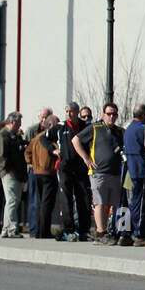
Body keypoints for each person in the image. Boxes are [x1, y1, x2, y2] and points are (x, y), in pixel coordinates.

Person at [72, 103, 126, 245]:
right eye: (109, 114)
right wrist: (86, 158)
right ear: (103, 115)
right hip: (98, 172)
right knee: (100, 202)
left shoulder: (120, 131)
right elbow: (76, 140)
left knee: (110, 203)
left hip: (114, 172)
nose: (112, 117)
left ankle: (109, 231)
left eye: (114, 114)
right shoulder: (95, 128)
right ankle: (100, 232)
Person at [52, 103, 90, 242]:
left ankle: (84, 230)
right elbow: (45, 138)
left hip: (81, 169)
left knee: (84, 199)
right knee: (66, 199)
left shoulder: (85, 126)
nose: (68, 114)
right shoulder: (61, 126)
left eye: (71, 111)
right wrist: (53, 150)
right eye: (67, 111)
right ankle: (69, 230)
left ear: (77, 112)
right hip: (65, 168)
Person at [124, 104, 145, 245]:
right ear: (144, 115)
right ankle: (140, 234)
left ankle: (134, 231)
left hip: (132, 169)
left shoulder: (129, 129)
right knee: (142, 203)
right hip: (142, 170)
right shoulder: (141, 129)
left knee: (136, 201)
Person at [0, 112, 27, 238]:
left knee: (13, 201)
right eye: (18, 123)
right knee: (12, 200)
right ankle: (12, 229)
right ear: (12, 122)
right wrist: (8, 169)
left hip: (17, 173)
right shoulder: (3, 135)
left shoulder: (13, 135)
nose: (19, 125)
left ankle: (6, 228)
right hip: (9, 173)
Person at [26, 115, 58, 239]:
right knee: (46, 203)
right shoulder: (49, 139)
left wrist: (33, 163)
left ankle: (38, 230)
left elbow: (27, 152)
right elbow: (56, 152)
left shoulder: (36, 138)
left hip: (36, 173)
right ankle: (44, 231)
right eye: (56, 123)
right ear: (50, 125)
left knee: (39, 203)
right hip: (48, 172)